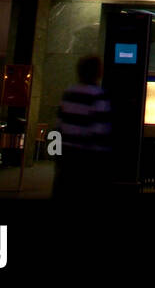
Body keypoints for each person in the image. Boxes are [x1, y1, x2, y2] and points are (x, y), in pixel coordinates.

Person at [53, 55, 112, 201]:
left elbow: (58, 126)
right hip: (86, 157)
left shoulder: (69, 93)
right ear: (97, 72)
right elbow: (99, 131)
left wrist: (56, 155)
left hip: (66, 154)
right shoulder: (98, 95)